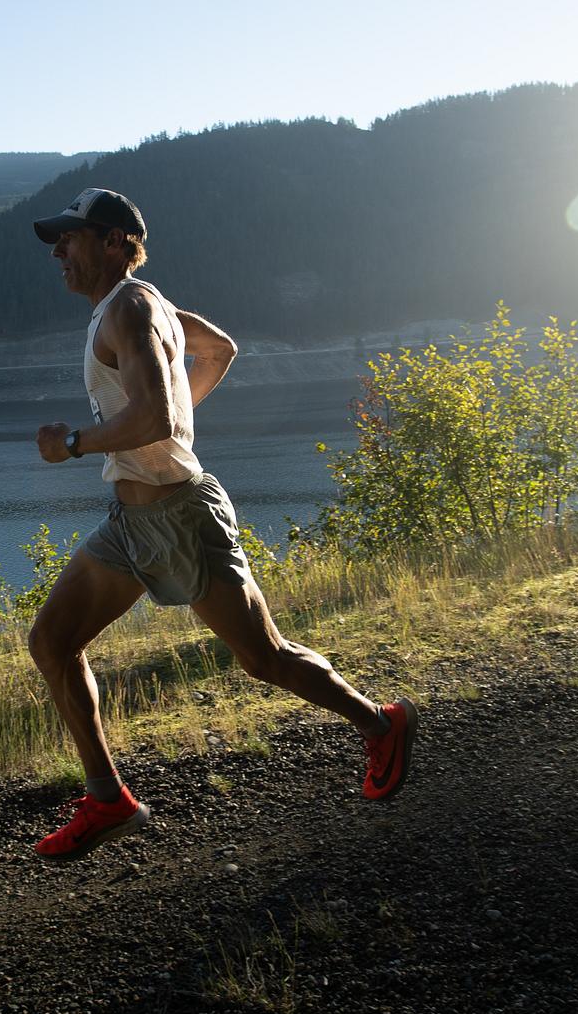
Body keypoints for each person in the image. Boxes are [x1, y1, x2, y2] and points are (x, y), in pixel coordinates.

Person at [26, 187, 416, 860]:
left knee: (262, 656)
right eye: (57, 239)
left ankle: (380, 723)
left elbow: (156, 417)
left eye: (73, 236)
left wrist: (76, 443)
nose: (59, 250)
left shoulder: (133, 305)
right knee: (52, 642)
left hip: (179, 520)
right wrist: (168, 419)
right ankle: (107, 798)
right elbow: (220, 350)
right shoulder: (141, 307)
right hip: (131, 521)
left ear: (117, 242)